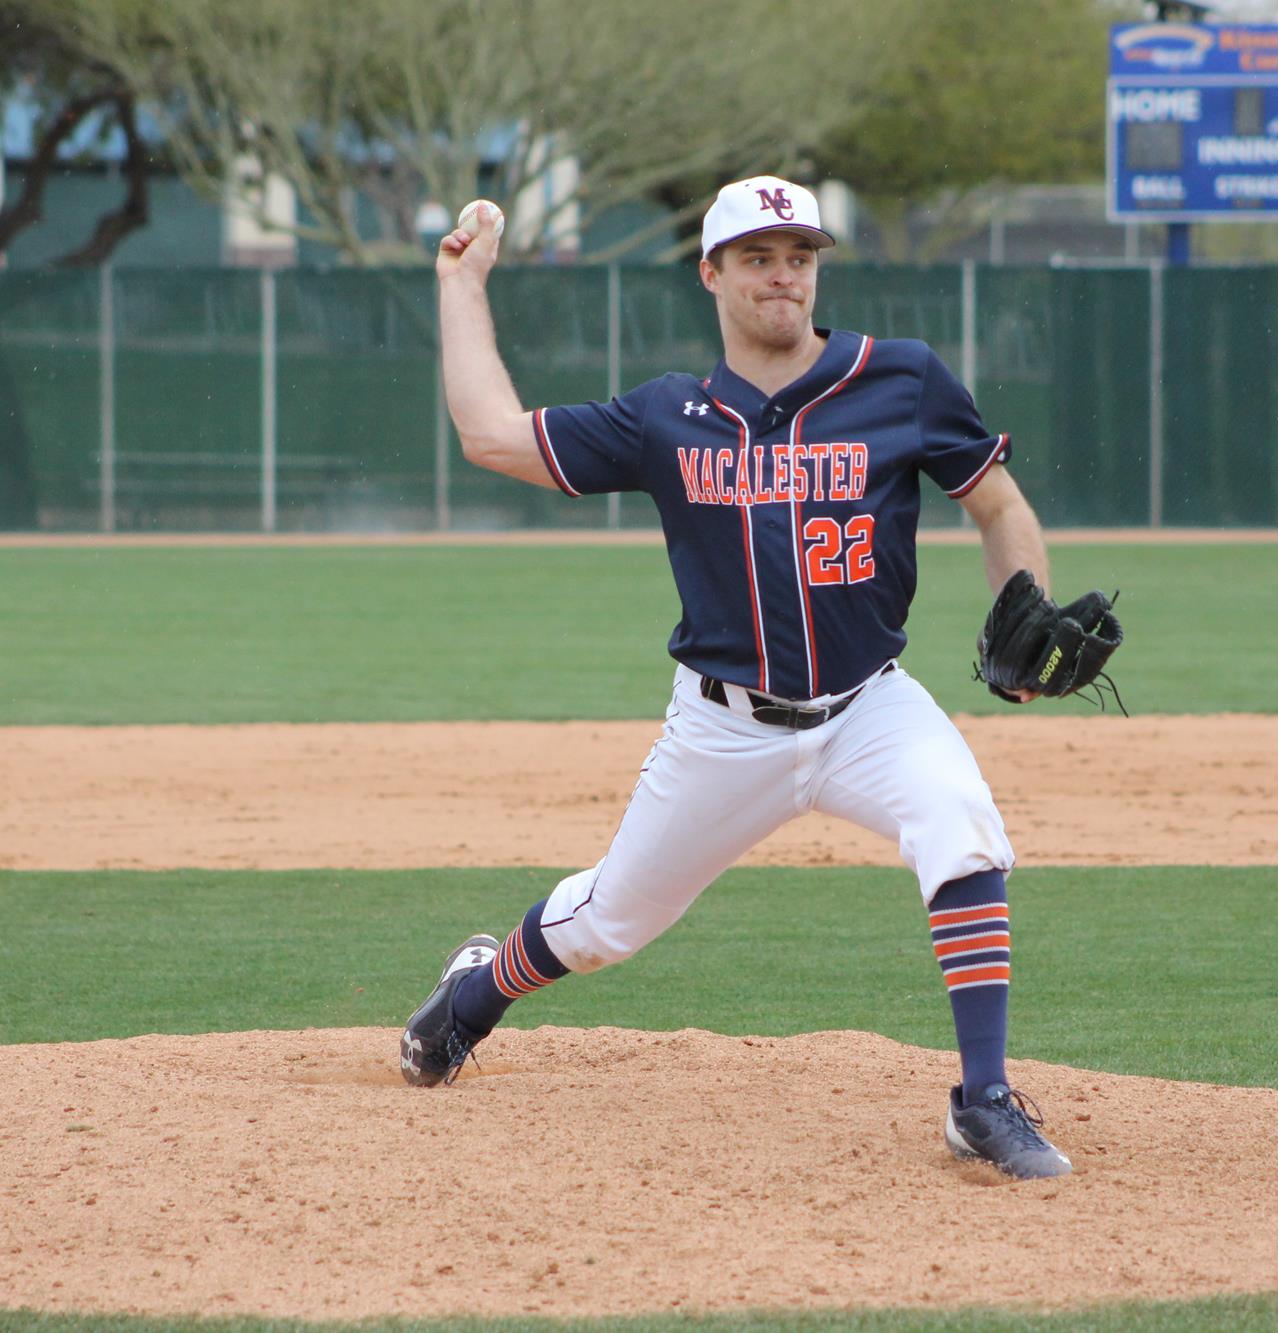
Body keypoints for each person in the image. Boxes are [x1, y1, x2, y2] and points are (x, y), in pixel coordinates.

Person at [401, 175, 1078, 1180]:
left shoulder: (900, 381)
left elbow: (1000, 506)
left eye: (799, 255)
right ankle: (470, 998)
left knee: (962, 820)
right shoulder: (666, 417)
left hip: (867, 704)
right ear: (711, 272)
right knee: (604, 926)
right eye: (758, 256)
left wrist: (1021, 604)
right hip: (723, 728)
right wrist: (463, 285)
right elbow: (489, 437)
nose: (783, 274)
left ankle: (980, 1098)